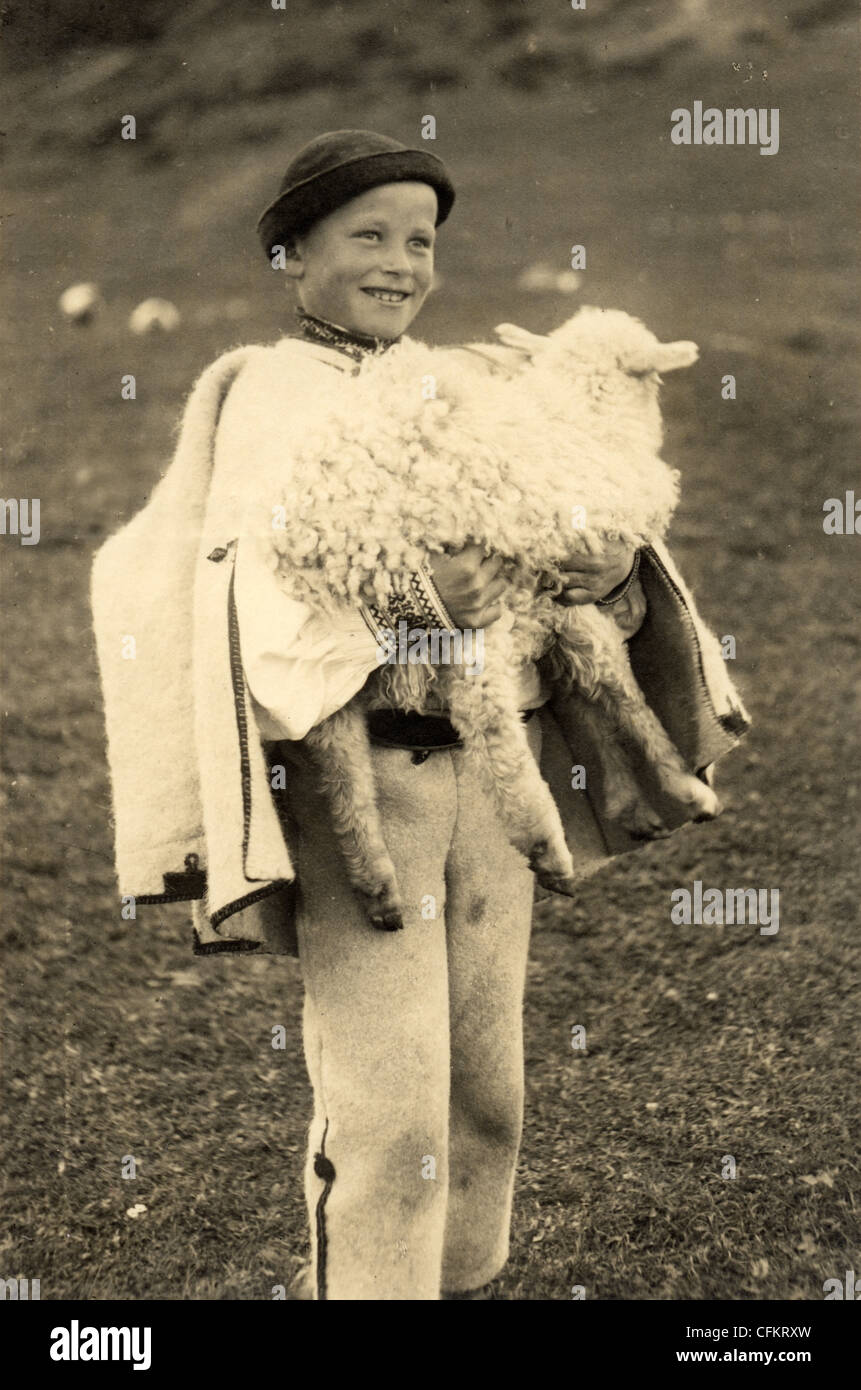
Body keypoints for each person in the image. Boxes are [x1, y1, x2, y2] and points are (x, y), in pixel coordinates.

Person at [92, 129, 748, 1302]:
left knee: (486, 1090)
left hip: (495, 793)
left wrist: (599, 571)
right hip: (367, 794)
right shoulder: (266, 395)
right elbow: (244, 585)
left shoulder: (456, 383)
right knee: (391, 1108)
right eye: (368, 236)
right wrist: (408, 602)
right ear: (292, 255)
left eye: (421, 240)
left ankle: (462, 1282)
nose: (400, 262)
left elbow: (542, 519)